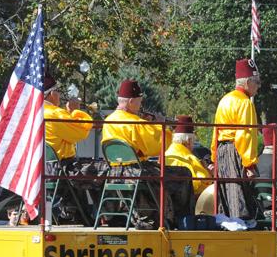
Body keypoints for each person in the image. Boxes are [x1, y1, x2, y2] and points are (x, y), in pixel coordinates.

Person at [101, 79, 191, 228]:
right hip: (135, 171)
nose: (141, 104)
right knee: (184, 173)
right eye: (139, 101)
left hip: (114, 171)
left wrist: (146, 124)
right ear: (131, 101)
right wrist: (161, 125)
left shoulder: (109, 120)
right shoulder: (136, 122)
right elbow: (158, 146)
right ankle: (179, 219)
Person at [211, 58, 261, 222]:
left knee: (226, 193)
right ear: (247, 82)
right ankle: (241, 226)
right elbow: (245, 135)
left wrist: (214, 156)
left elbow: (215, 131)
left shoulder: (224, 100)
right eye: (256, 82)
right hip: (236, 151)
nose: (258, 86)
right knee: (239, 194)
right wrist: (249, 164)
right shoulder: (245, 103)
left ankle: (226, 224)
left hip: (222, 151)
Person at [43, 74, 92, 164]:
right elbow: (82, 132)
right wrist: (75, 111)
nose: (59, 95)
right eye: (58, 91)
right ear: (52, 94)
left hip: (37, 165)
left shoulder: (33, 112)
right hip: (59, 166)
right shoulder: (55, 113)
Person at [165, 115, 211, 198]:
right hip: (187, 200)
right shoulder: (190, 158)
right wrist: (208, 172)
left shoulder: (166, 155)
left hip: (168, 198)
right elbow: (203, 182)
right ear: (189, 141)